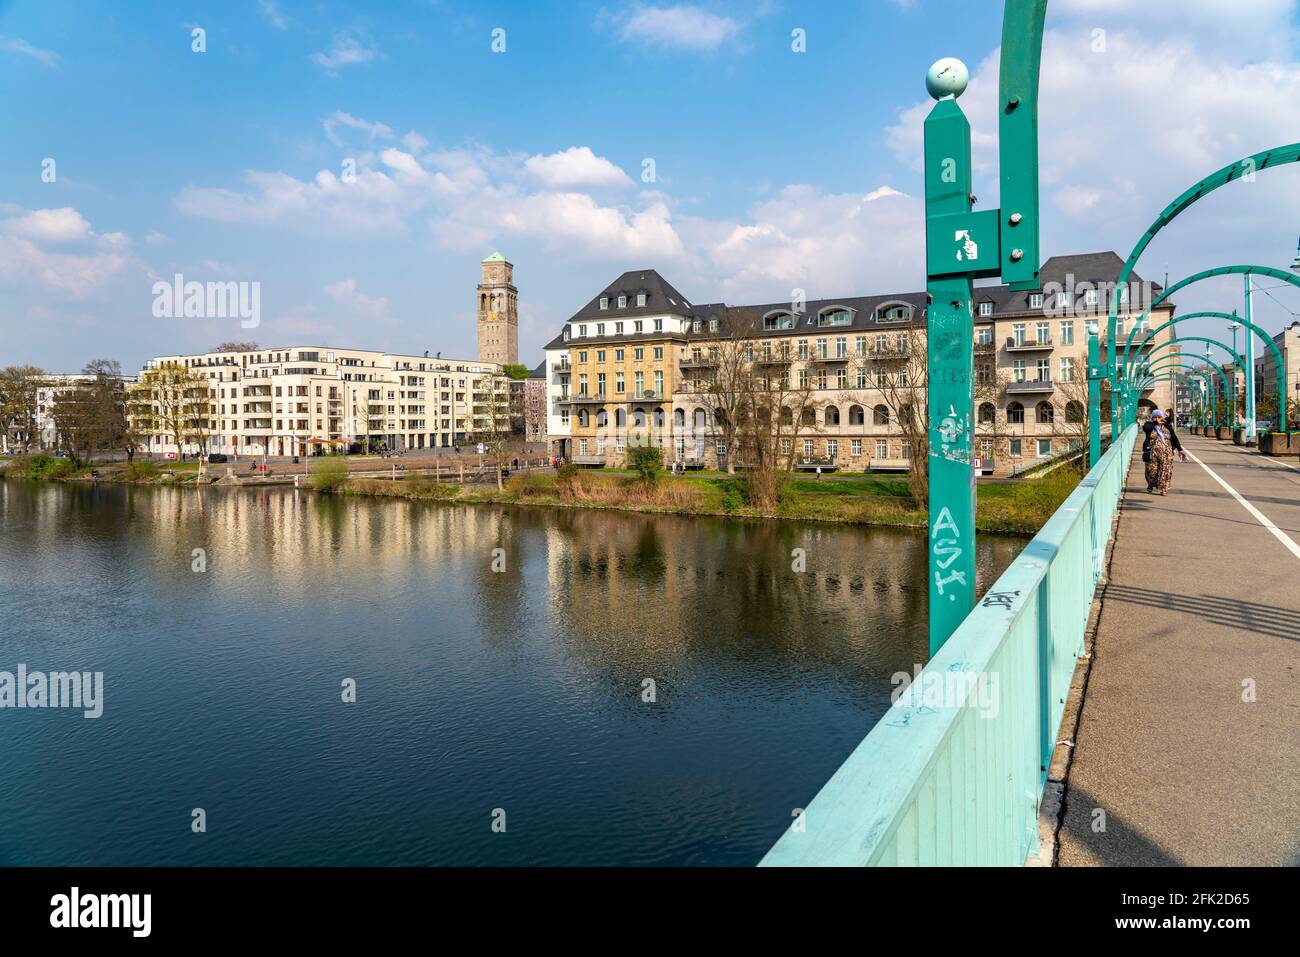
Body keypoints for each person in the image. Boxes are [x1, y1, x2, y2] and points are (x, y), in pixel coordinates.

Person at [1142, 407, 1185, 495]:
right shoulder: (1149, 425)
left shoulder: (1167, 426)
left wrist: (1180, 449)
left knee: (1165, 469)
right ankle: (1151, 484)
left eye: (1160, 416)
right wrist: (1155, 423)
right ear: (1153, 417)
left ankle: (1164, 488)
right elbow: (1146, 428)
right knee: (1152, 471)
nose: (1159, 418)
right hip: (1152, 452)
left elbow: (1173, 438)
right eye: (1156, 417)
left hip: (1167, 452)